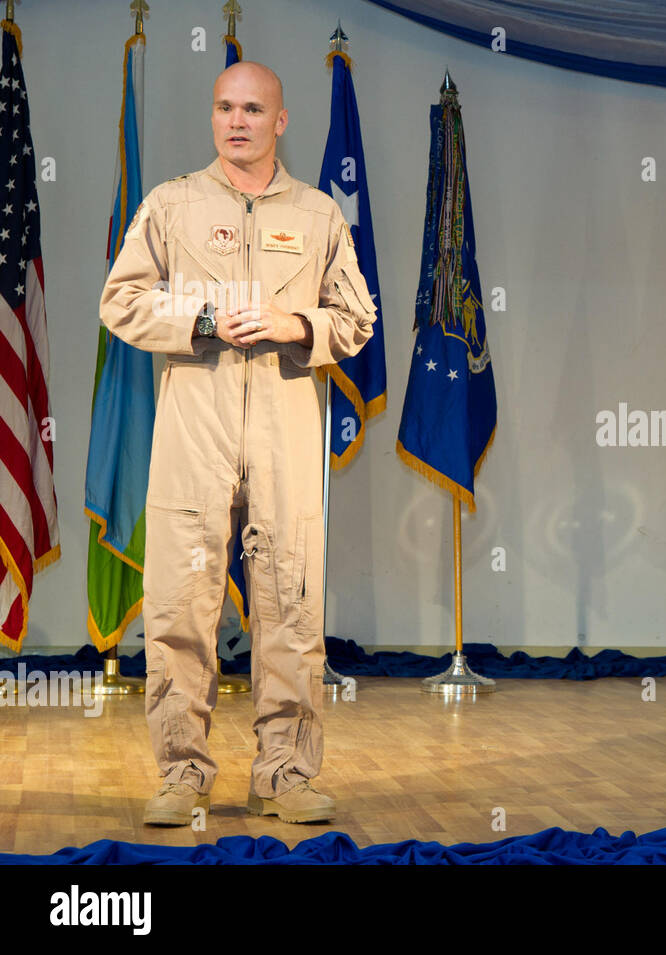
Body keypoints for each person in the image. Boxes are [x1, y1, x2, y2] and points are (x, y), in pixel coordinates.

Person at [100, 62, 376, 824]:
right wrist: (200, 319)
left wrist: (296, 326)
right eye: (225, 107)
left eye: (253, 108)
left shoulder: (319, 216)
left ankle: (285, 773)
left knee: (290, 604)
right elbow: (119, 300)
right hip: (194, 430)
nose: (237, 121)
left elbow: (356, 320)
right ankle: (182, 773)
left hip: (285, 432)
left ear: (280, 121)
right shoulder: (173, 205)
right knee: (181, 606)